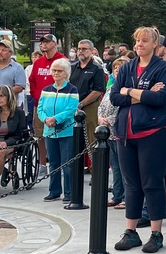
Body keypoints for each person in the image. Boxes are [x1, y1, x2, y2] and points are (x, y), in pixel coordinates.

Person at [111, 27, 166, 252]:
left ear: (155, 44)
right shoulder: (127, 67)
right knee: (132, 184)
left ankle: (156, 233)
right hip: (126, 133)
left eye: (145, 41)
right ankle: (131, 231)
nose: (139, 44)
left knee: (152, 182)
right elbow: (115, 96)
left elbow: (160, 98)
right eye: (137, 40)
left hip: (153, 132)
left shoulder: (163, 67)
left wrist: (130, 91)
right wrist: (134, 93)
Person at [36, 58, 79, 202]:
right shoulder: (46, 90)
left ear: (66, 73)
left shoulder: (72, 90)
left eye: (59, 71)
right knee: (53, 162)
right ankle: (54, 191)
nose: (56, 73)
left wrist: (56, 119)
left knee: (67, 163)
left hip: (66, 132)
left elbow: (71, 109)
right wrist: (45, 119)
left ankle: (69, 192)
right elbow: (40, 108)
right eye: (54, 70)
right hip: (49, 131)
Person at [69, 39, 108, 172]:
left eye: (84, 49)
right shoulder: (73, 67)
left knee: (91, 138)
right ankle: (76, 167)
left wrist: (82, 103)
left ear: (91, 51)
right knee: (75, 138)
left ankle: (95, 169)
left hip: (90, 106)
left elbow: (98, 90)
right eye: (79, 49)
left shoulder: (96, 68)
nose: (81, 51)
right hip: (73, 106)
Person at [28, 35, 65, 167]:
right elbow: (32, 81)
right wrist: (36, 96)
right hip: (40, 106)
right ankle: (42, 164)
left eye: (47, 42)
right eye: (42, 42)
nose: (43, 44)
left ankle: (59, 164)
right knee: (40, 136)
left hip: (57, 107)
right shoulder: (38, 62)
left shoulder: (62, 60)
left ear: (54, 44)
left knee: (58, 136)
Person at [98, 56, 128, 207]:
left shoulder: (127, 88)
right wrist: (100, 118)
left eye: (120, 68)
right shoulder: (111, 88)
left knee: (124, 168)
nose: (117, 70)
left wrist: (109, 119)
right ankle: (117, 195)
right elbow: (101, 106)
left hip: (119, 131)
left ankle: (126, 198)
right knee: (115, 167)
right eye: (115, 68)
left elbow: (122, 108)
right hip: (107, 132)